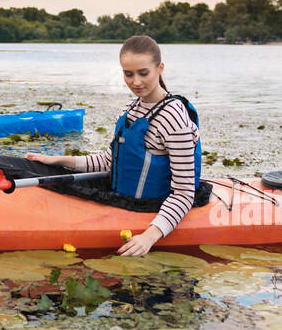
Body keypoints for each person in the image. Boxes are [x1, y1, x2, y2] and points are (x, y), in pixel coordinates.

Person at [26, 35, 200, 257]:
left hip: (151, 210)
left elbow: (185, 193)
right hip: (124, 201)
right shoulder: (132, 108)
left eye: (143, 73)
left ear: (160, 68)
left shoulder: (174, 118)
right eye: (128, 74)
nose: (135, 82)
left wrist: (150, 235)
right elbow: (110, 161)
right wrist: (58, 160)